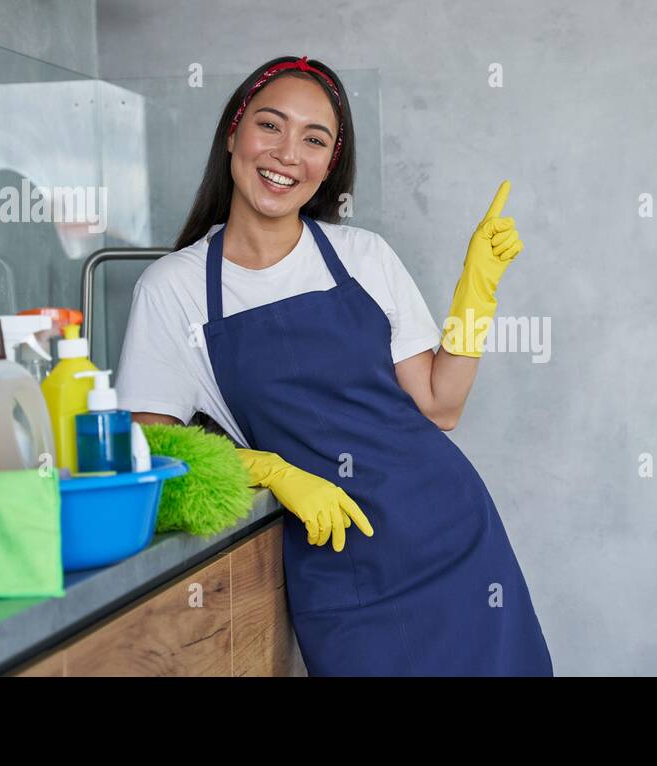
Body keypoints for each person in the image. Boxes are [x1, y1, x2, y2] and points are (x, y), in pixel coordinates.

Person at [115, 55, 553, 676]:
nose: (288, 153)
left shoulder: (362, 255)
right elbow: (144, 447)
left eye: (314, 139)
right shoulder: (175, 287)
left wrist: (475, 293)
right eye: (271, 126)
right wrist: (270, 470)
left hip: (455, 540)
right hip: (340, 567)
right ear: (234, 131)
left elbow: (441, 404)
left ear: (328, 165)